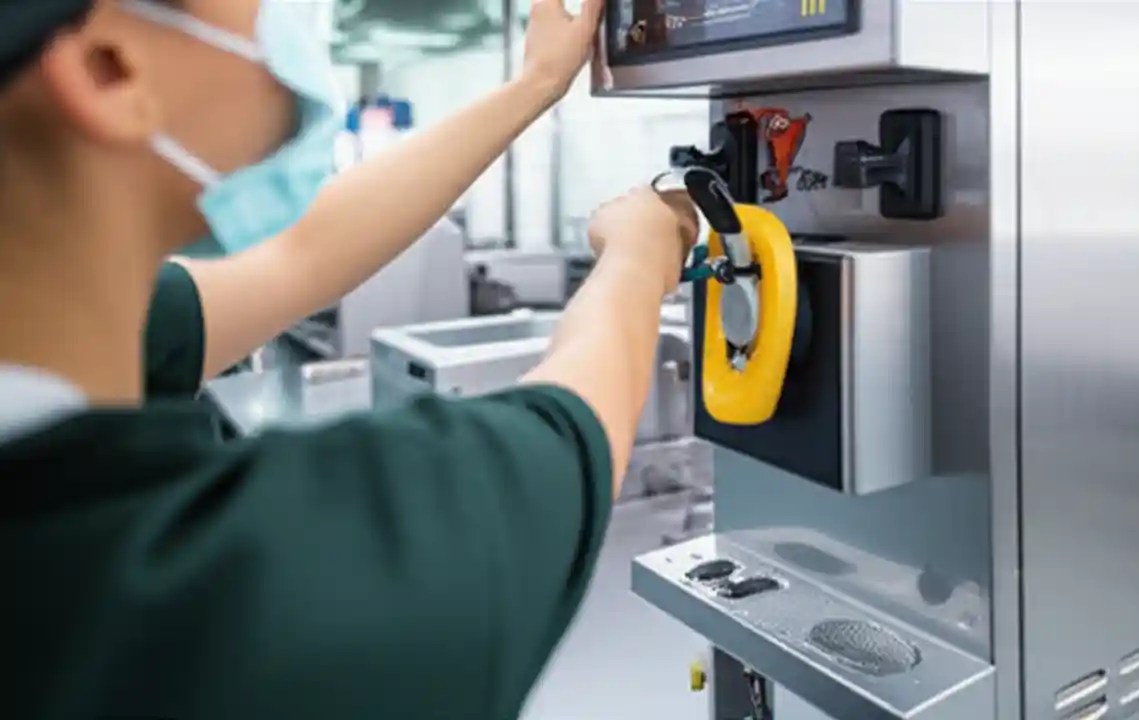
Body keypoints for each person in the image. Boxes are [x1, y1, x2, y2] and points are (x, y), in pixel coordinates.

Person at [0, 0, 698, 717]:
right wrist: (641, 251)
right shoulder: (225, 594)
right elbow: (569, 431)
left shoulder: (63, 329)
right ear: (109, 68)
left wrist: (535, 85)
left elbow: (298, 256)